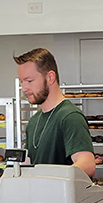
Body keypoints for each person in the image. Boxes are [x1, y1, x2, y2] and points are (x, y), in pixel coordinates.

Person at [14, 48, 96, 178]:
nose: (24, 88)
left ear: (50, 77)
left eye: (29, 81)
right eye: (22, 82)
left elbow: (87, 165)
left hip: (62, 197)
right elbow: (30, 163)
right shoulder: (34, 121)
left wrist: (53, 180)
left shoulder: (70, 116)